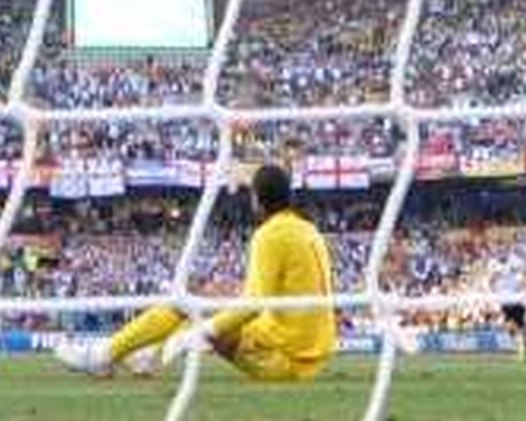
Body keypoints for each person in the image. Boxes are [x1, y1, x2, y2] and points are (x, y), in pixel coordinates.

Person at [53, 163, 337, 382]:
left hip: (283, 360)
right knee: (207, 301)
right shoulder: (307, 229)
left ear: (257, 200)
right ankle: (145, 356)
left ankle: (103, 356)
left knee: (187, 306)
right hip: (310, 353)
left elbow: (254, 304)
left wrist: (203, 331)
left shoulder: (271, 234)